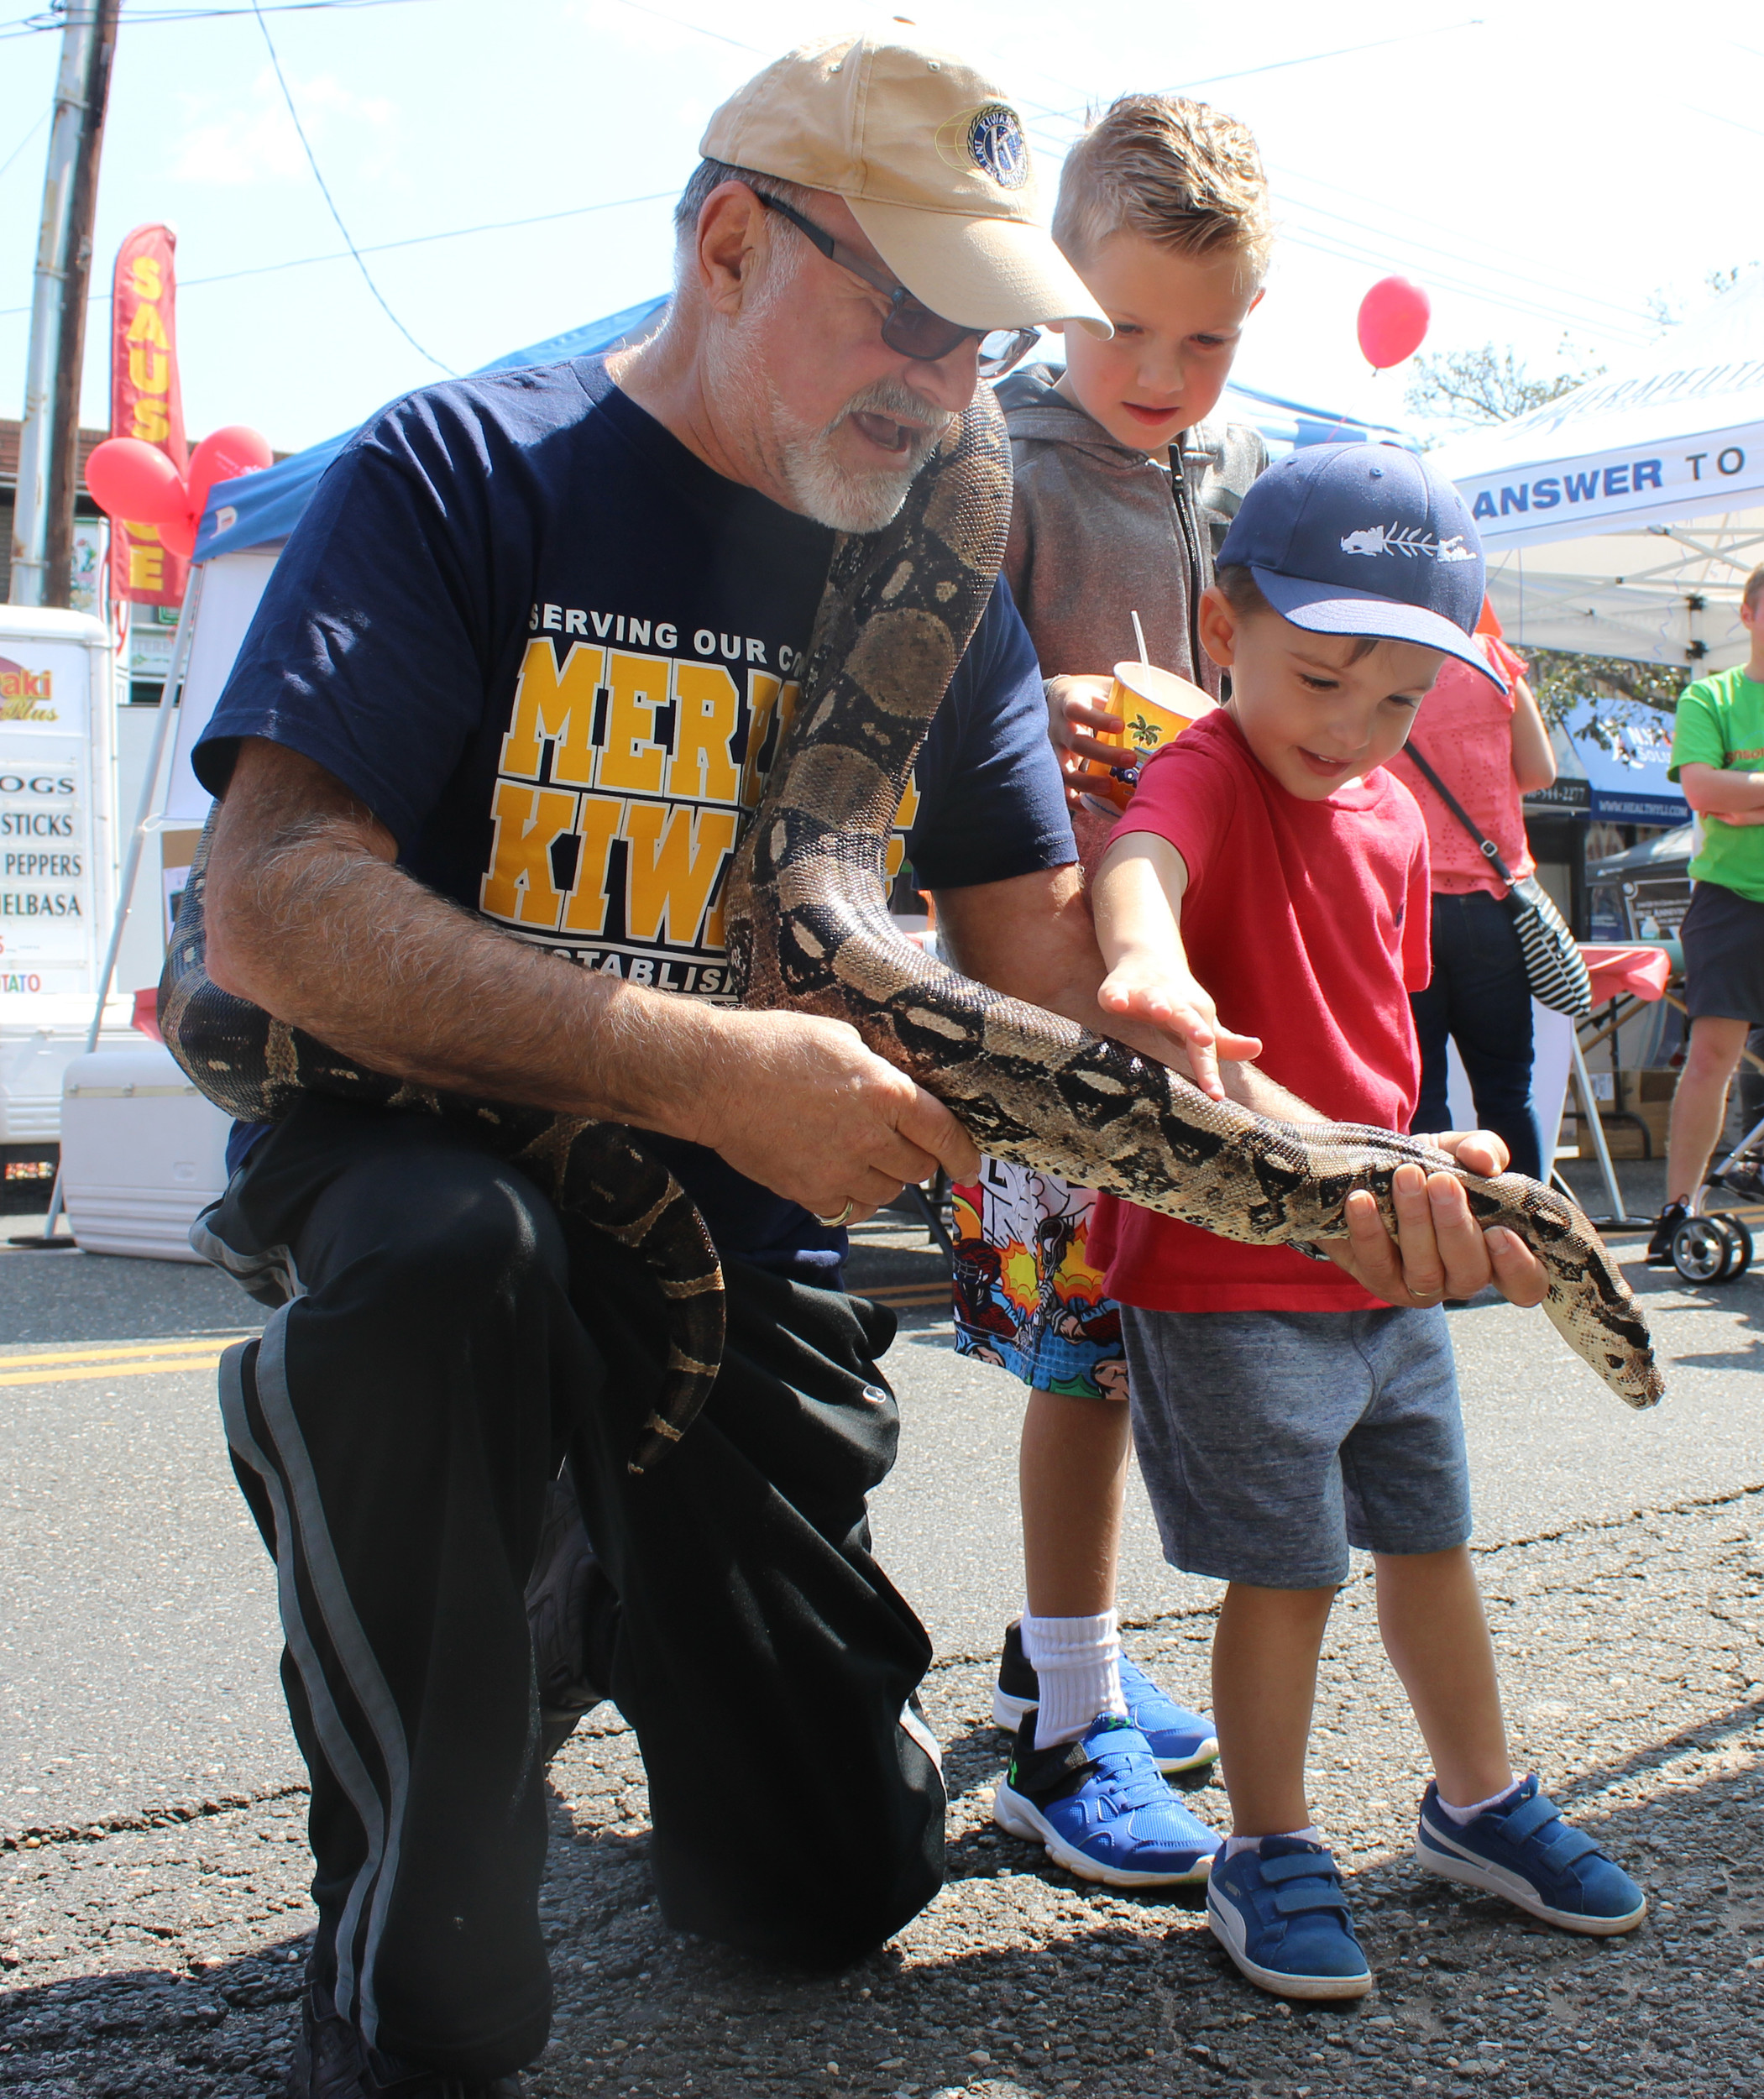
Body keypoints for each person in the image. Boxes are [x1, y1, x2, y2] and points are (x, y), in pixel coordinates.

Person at [189, 30, 1551, 2091]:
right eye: (910, 312)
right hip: (421, 1159)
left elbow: (1053, 981)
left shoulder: (932, 573)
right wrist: (702, 1066)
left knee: (825, 1890)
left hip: (731, 1249)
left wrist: (1352, 1167)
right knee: (451, 1264)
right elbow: (274, 904)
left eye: (983, 334)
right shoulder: (459, 472)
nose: (948, 380)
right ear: (731, 246)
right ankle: (408, 1926)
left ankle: (568, 1586)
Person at [1076, 442, 1647, 2002]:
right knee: (1288, 1571)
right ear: (1223, 628)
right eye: (1321, 679)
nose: (1350, 729)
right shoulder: (1207, 767)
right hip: (1224, 1270)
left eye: (1396, 701)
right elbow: (1142, 859)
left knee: (1429, 1541)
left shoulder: (1394, 814)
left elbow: (1381, 1026)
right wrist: (1147, 960)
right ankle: (1267, 1845)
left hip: (1385, 1254)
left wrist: (1426, 1147)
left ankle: (1479, 1802)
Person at [945, 94, 1275, 1873]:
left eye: (1203, 340)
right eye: (1123, 324)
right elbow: (923, 709)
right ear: (1050, 284)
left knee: (1136, 1351)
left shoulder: (1212, 475)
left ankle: (1059, 1646)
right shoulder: (991, 458)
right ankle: (1063, 1735)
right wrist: (1037, 704)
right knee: (1087, 1362)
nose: (1160, 372)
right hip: (1050, 989)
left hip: (1170, 977)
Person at [1388, 603, 1557, 1180]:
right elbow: (1540, 771)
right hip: (1491, 906)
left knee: (1421, 1096)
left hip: (1404, 906)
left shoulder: (1384, 654)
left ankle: (1432, 1223)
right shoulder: (1492, 661)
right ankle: (1531, 1225)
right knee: (1507, 1092)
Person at [1651, 563, 1764, 1254]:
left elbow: (1725, 792)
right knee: (1711, 1056)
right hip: (1728, 900)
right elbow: (1701, 790)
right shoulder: (1710, 696)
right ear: (1747, 614)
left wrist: (1745, 797)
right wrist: (1724, 796)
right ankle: (1675, 1210)